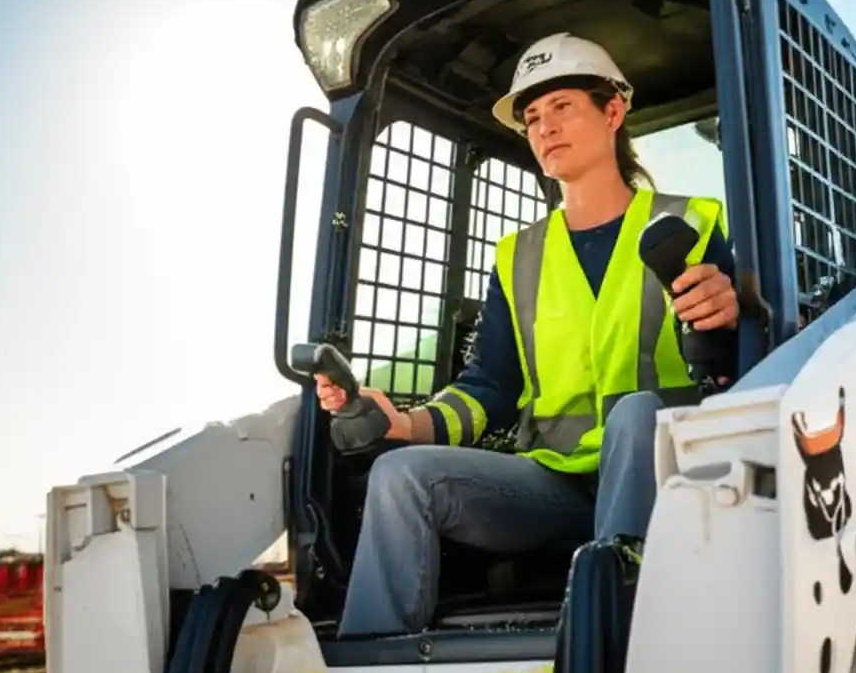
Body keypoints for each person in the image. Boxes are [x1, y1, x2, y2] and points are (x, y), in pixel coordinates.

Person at [316, 32, 739, 637]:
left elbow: (744, 367)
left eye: (562, 106)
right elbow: (488, 385)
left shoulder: (694, 223)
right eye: (533, 117)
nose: (545, 128)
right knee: (400, 474)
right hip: (556, 486)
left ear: (613, 111)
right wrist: (403, 424)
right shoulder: (518, 257)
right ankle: (376, 651)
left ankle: (619, 632)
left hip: (672, 481)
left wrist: (728, 318)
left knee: (637, 412)